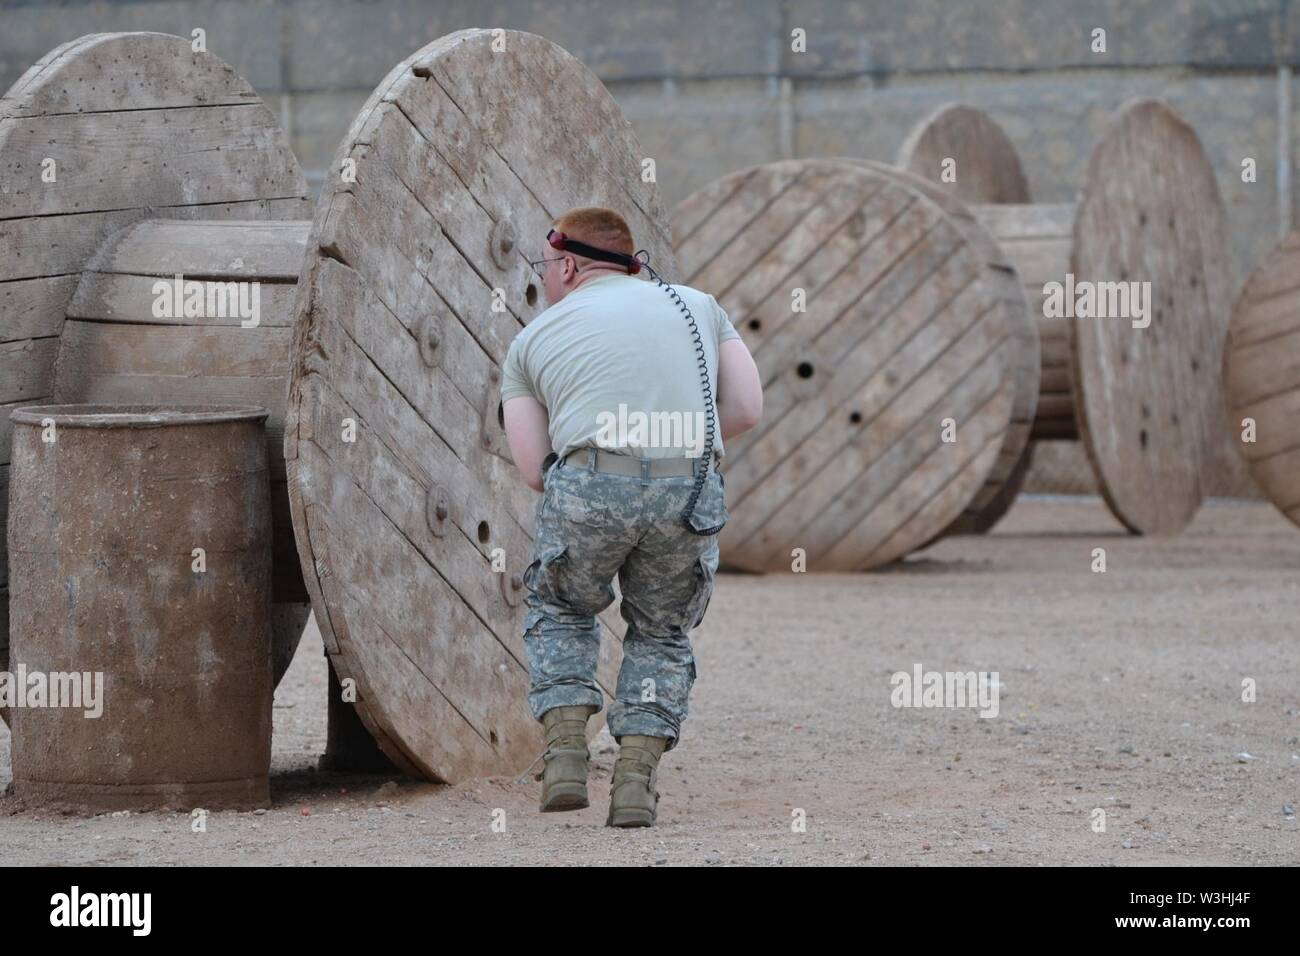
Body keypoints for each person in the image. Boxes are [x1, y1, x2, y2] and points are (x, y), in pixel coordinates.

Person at [500, 206, 763, 827]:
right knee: (661, 630)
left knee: (563, 608)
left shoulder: (532, 339)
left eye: (547, 267)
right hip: (687, 486)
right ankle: (636, 783)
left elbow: (535, 469)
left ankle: (565, 755)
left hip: (591, 481)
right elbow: (747, 408)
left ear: (566, 264)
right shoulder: (699, 306)